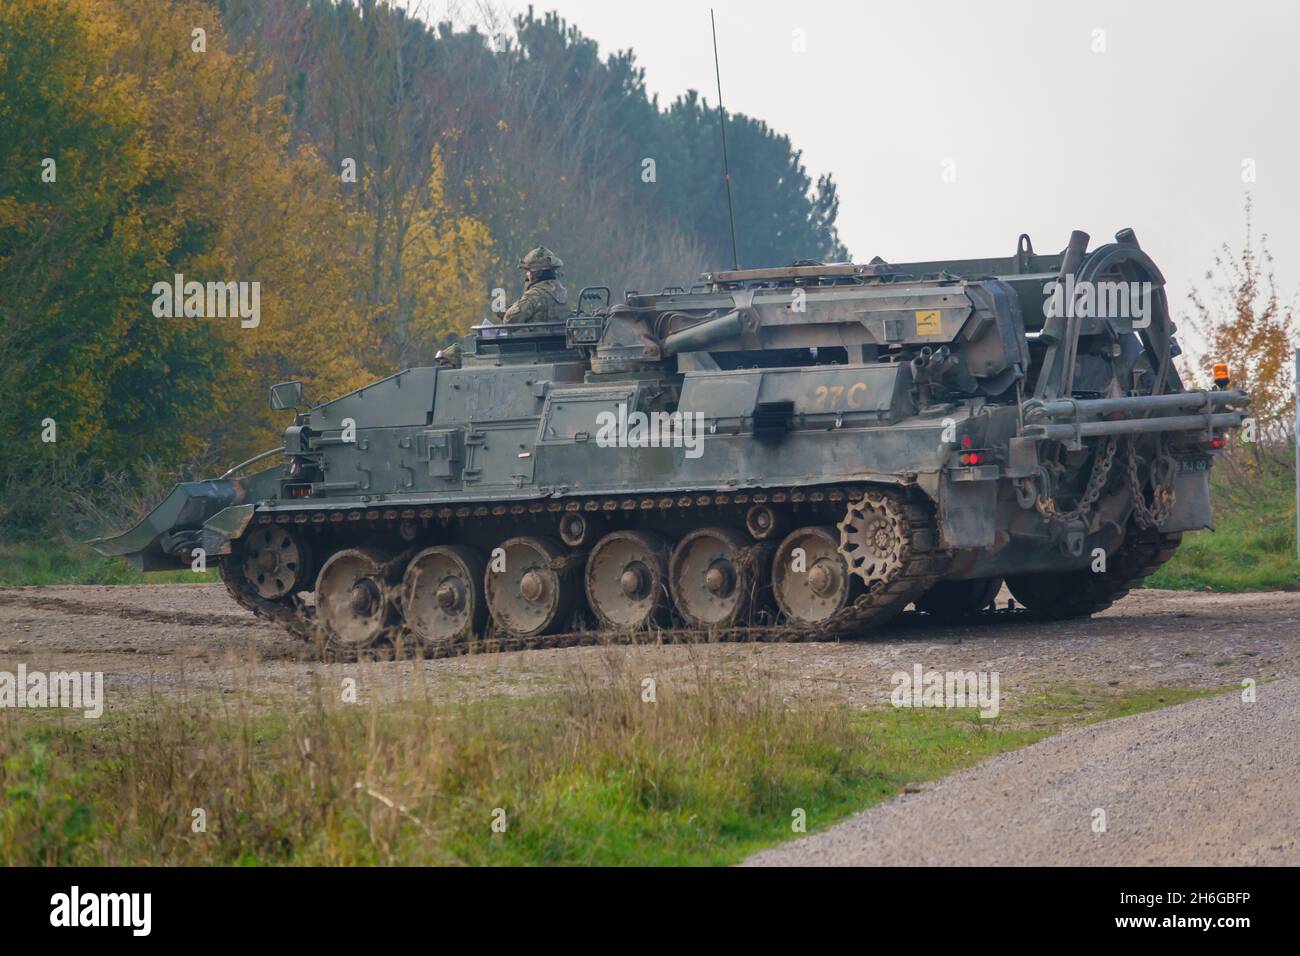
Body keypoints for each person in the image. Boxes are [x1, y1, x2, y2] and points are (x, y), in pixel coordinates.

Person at [502, 246, 568, 324]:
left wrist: (506, 313)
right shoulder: (562, 292)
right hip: (560, 336)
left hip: (538, 336)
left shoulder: (533, 296)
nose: (527, 274)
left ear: (536, 273)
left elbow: (510, 320)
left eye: (528, 271)